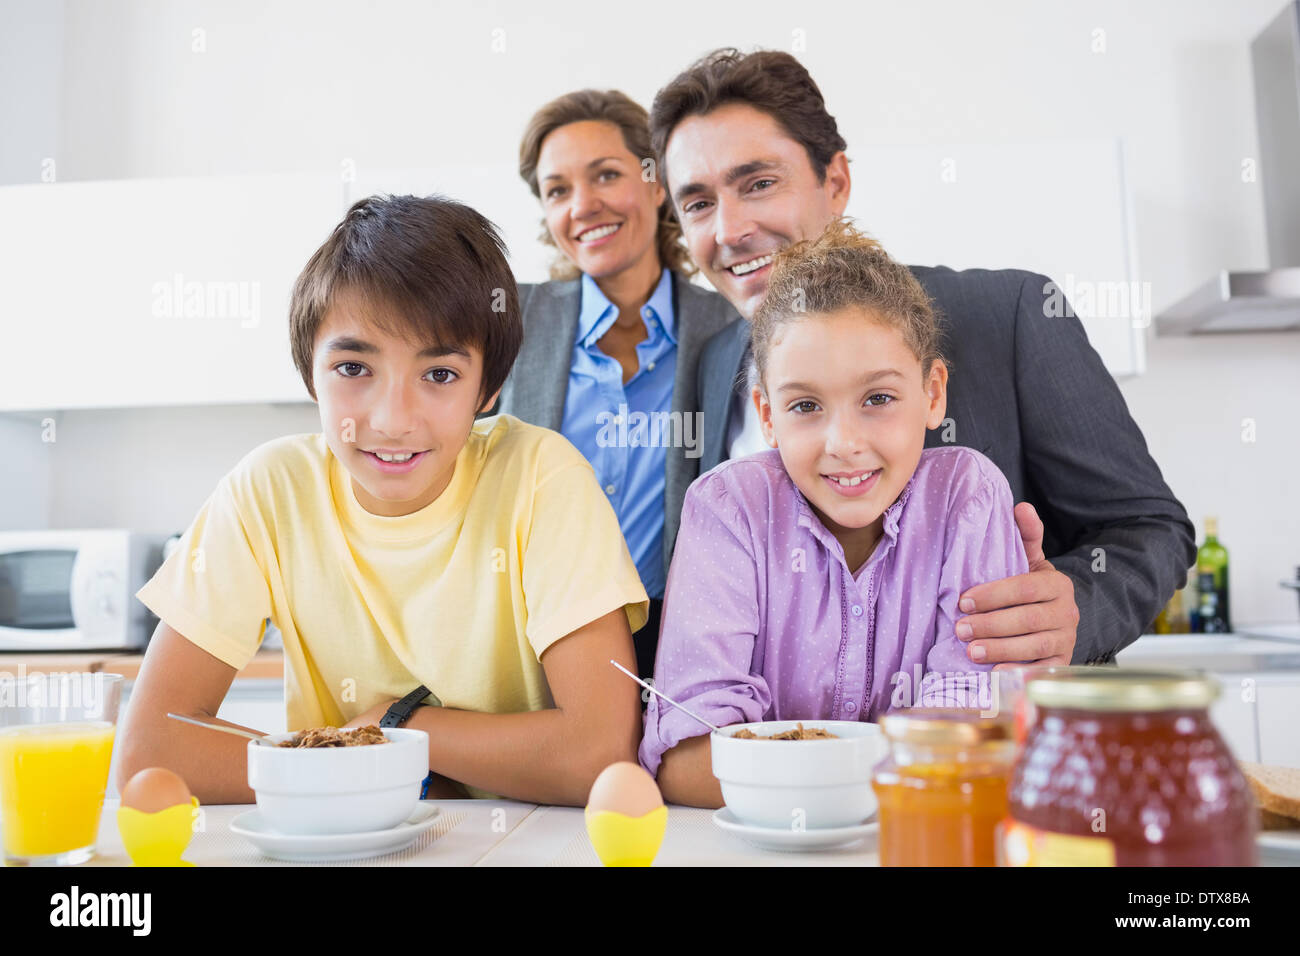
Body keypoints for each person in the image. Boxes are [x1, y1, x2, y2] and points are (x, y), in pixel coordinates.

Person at [648, 48, 1194, 671]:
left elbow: (1148, 527)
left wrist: (1070, 609)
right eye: (697, 203)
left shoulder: (1011, 313)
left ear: (836, 181)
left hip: (983, 750)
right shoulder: (714, 362)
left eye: (759, 184)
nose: (729, 229)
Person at [119, 195, 649, 807]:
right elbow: (148, 755)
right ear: (308, 373)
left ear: (490, 389)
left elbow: (600, 754)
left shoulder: (541, 477)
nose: (393, 421)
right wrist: (375, 766)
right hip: (343, 845)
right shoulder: (268, 490)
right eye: (353, 368)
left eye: (440, 375)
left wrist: (399, 726)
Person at [642, 222, 1029, 805]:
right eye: (805, 406)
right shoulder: (727, 509)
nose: (843, 442)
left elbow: (970, 737)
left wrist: (781, 765)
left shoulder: (966, 498)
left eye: (877, 398)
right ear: (767, 417)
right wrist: (885, 763)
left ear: (933, 393)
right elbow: (688, 757)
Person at [497, 90, 736, 677]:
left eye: (606, 174)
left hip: (687, 637)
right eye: (557, 190)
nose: (583, 205)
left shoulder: (730, 327)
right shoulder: (509, 325)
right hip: (538, 636)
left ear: (659, 186)